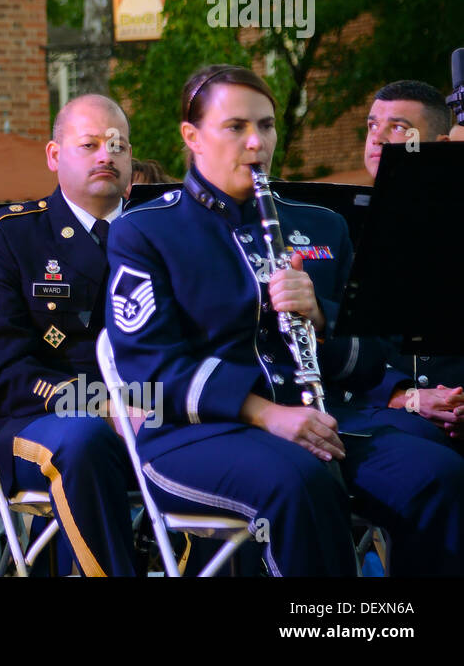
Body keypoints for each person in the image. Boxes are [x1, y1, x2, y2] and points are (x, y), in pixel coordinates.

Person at [106, 64, 464, 575]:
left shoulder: (321, 224)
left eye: (267, 126)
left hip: (323, 418)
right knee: (302, 480)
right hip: (199, 432)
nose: (257, 143)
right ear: (193, 137)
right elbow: (150, 373)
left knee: (439, 474)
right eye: (236, 127)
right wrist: (269, 415)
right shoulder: (146, 232)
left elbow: (366, 366)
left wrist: (319, 315)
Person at [0, 94, 138, 576]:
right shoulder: (10, 234)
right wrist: (98, 404)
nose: (107, 155)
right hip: (39, 417)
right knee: (84, 440)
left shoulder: (161, 230)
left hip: (152, 404)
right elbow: (1, 365)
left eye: (118, 145)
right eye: (89, 144)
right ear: (54, 156)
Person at [358, 80, 464, 441]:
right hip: (378, 422)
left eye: (398, 127)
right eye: (373, 125)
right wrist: (403, 396)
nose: (378, 137)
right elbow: (332, 349)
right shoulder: (336, 230)